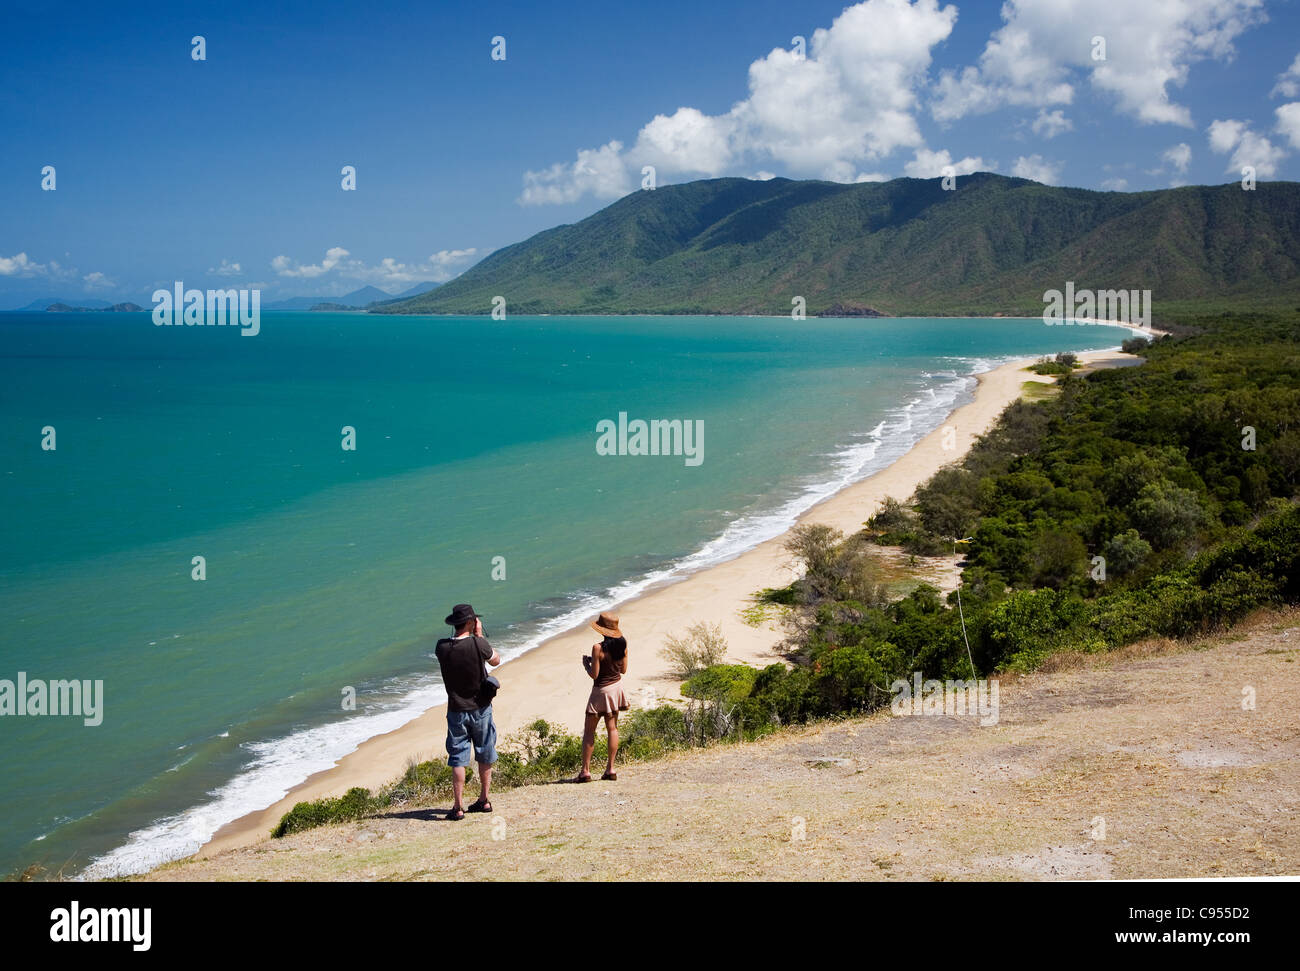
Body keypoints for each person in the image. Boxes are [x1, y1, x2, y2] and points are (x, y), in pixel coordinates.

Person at [434, 603, 501, 820]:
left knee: (458, 756)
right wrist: (479, 635)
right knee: (484, 751)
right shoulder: (477, 644)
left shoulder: (442, 647)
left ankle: (458, 806)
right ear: (471, 623)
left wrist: (474, 635)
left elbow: (455, 648)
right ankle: (484, 799)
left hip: (456, 709)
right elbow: (496, 660)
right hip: (480, 707)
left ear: (454, 624)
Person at [576, 611, 629, 782]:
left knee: (589, 731)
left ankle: (585, 771)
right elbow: (623, 670)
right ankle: (611, 769)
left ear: (602, 630)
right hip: (616, 688)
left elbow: (594, 674)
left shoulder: (598, 647)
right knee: (612, 728)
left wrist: (587, 665)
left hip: (601, 691)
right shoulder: (623, 646)